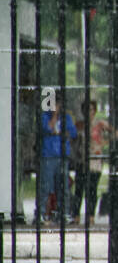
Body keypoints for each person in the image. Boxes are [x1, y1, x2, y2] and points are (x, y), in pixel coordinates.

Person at [70, 100, 113, 226]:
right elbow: (72, 139)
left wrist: (102, 144)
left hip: (94, 160)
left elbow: (114, 133)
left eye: (91, 109)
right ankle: (76, 215)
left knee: (92, 189)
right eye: (86, 109)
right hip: (81, 159)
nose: (88, 112)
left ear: (95, 111)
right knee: (79, 188)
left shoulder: (99, 124)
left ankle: (90, 215)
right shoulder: (79, 125)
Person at [38, 92, 77, 221]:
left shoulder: (66, 118)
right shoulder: (44, 116)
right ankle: (41, 213)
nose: (57, 106)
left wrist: (59, 132)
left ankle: (64, 213)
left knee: (64, 186)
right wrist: (54, 116)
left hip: (62, 155)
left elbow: (71, 132)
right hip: (48, 155)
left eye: (59, 103)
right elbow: (47, 128)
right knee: (45, 185)